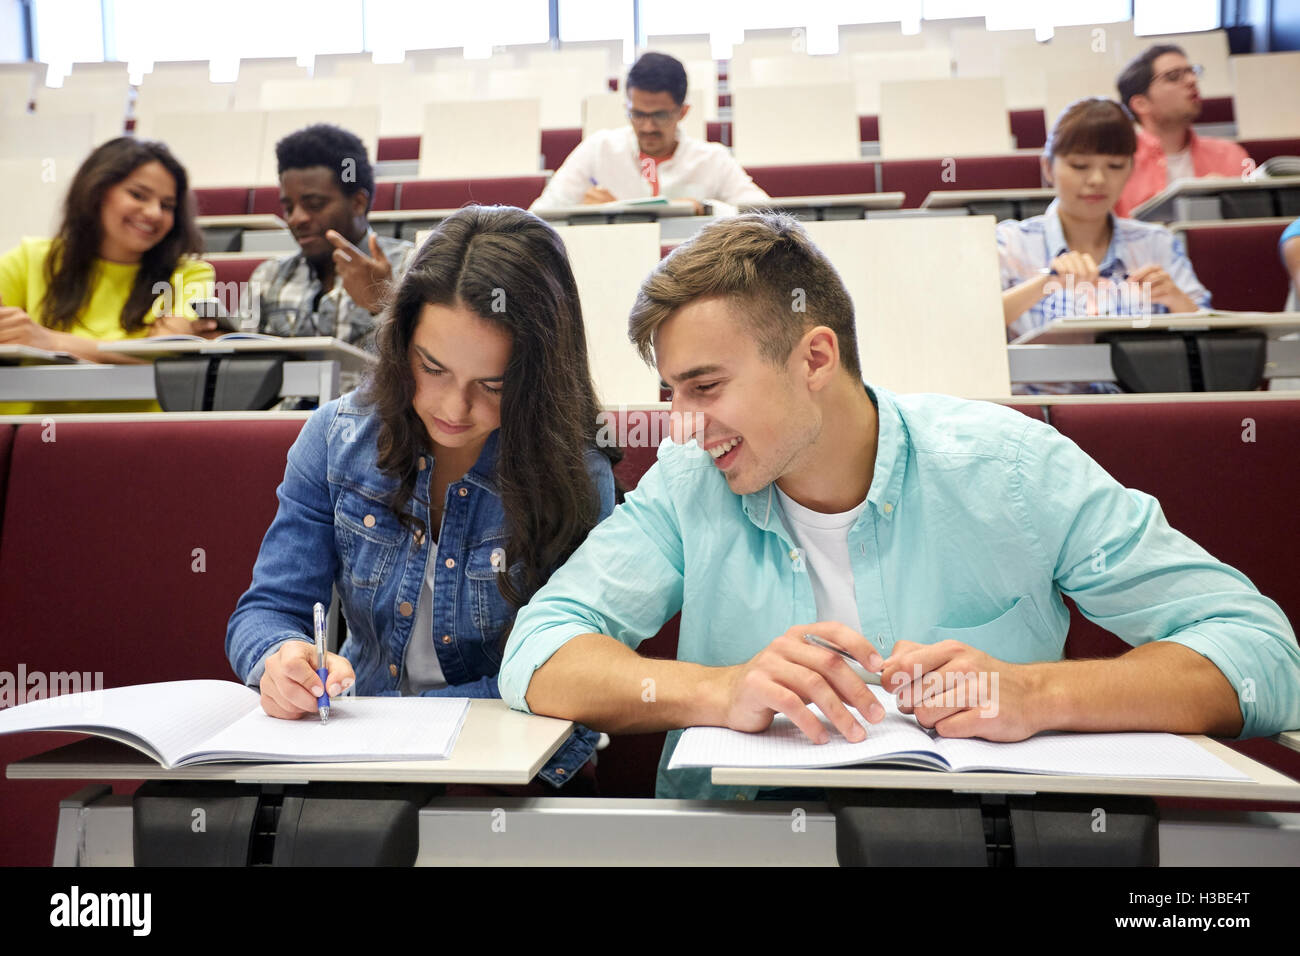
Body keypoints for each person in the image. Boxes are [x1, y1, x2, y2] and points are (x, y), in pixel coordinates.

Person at [497, 211, 1300, 802]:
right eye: (670, 394)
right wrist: (720, 689)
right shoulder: (687, 484)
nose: (680, 422)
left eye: (705, 388)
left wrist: (1038, 695)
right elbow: (540, 651)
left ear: (815, 357)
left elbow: (1259, 650)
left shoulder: (1010, 469)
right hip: (747, 855)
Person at [226, 206, 618, 790]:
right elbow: (265, 611)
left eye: (493, 385)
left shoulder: (575, 473)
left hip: (517, 768)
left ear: (539, 376)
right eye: (431, 368)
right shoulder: (335, 439)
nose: (453, 408)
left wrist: (404, 724)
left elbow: (574, 670)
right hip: (360, 757)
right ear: (399, 340)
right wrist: (280, 659)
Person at [998, 98, 1211, 392]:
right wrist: (1044, 282)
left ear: (1131, 168)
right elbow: (973, 329)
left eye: (1114, 166)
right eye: (1080, 166)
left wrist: (1175, 299)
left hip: (1145, 411)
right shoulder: (1011, 243)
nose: (1097, 180)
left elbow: (1211, 343)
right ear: (1048, 167)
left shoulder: (1158, 243)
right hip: (1039, 419)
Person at [0, 136, 215, 413]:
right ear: (97, 191)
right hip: (24, 435)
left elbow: (164, 357)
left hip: (136, 437)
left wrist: (47, 341)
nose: (153, 213)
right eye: (138, 195)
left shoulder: (189, 274)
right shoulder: (30, 259)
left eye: (167, 205)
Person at [529, 52, 769, 214]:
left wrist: (704, 208)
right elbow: (539, 215)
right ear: (627, 108)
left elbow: (766, 215)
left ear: (683, 112)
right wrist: (584, 213)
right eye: (638, 114)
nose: (648, 127)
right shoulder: (598, 150)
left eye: (660, 116)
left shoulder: (712, 159)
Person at [250, 124, 416, 349]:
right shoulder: (268, 276)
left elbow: (427, 363)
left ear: (358, 203)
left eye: (315, 205)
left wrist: (381, 304)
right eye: (288, 208)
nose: (296, 219)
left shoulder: (411, 267)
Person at [1114, 44, 1251, 218]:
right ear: (1141, 104)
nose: (1191, 81)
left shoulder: (1231, 154)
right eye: (1173, 77)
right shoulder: (1117, 165)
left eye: (1192, 71)